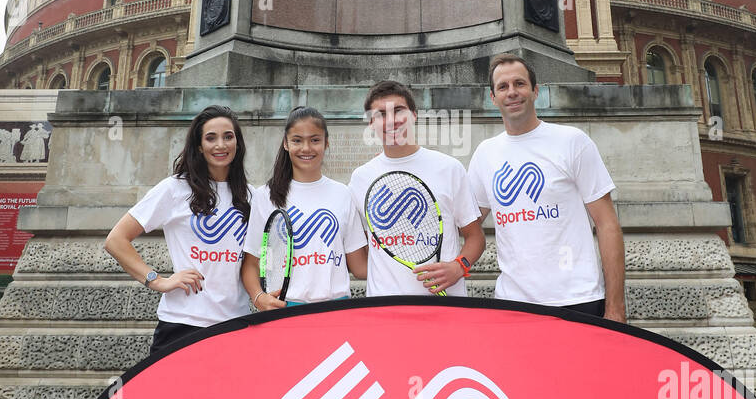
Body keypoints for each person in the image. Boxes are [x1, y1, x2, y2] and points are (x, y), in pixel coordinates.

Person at [467, 54, 626, 320]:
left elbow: (607, 224)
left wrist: (615, 308)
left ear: (535, 90)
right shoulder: (485, 154)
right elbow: (467, 224)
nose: (512, 92)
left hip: (579, 300)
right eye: (503, 87)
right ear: (493, 98)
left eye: (520, 84)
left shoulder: (572, 142)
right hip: (513, 305)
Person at [104, 105, 257, 353]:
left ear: (237, 143)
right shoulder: (175, 189)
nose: (221, 145)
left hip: (234, 324)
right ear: (198, 146)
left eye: (228, 136)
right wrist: (157, 280)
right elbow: (116, 240)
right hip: (182, 325)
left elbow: (254, 260)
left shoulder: (251, 196)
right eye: (211, 138)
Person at [348, 81, 485, 296]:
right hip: (384, 310)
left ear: (414, 115)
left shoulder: (449, 168)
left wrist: (459, 267)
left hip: (446, 309)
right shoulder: (360, 179)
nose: (391, 120)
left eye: (399, 110)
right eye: (381, 114)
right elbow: (362, 256)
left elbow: (475, 237)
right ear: (371, 123)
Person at [242, 107, 368, 308]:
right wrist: (258, 297)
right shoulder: (265, 195)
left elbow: (360, 267)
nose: (306, 148)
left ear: (327, 143)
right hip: (285, 310)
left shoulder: (343, 194)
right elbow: (251, 263)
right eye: (297, 140)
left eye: (315, 140)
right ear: (285, 143)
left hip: (336, 309)